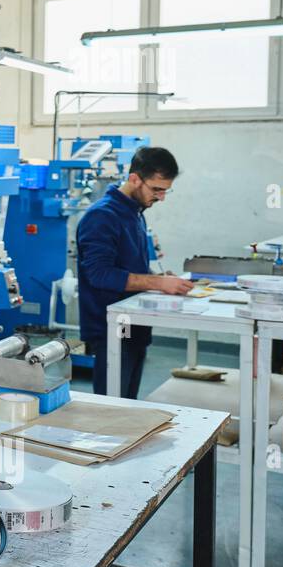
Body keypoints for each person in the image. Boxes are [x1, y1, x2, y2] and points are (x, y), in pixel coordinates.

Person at [76, 146, 190, 398]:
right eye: (156, 189)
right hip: (112, 329)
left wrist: (162, 280)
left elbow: (130, 267)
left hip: (134, 325)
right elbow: (100, 275)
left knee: (129, 407)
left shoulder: (135, 213)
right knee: (110, 409)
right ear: (135, 179)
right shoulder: (101, 217)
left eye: (165, 190)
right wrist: (159, 284)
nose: (161, 198)